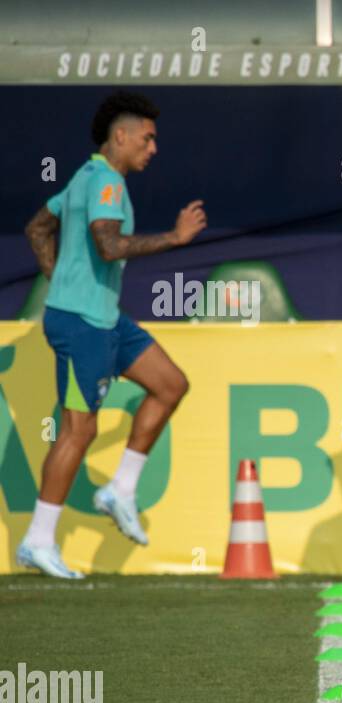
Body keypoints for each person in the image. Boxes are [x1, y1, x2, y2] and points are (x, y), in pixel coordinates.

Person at [18, 90, 205, 579]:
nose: (153, 148)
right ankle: (38, 540)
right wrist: (176, 238)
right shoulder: (104, 182)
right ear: (119, 137)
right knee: (79, 431)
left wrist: (59, 280)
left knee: (171, 384)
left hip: (102, 317)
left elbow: (37, 228)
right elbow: (107, 245)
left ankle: (120, 488)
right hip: (84, 323)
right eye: (147, 138)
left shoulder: (85, 175)